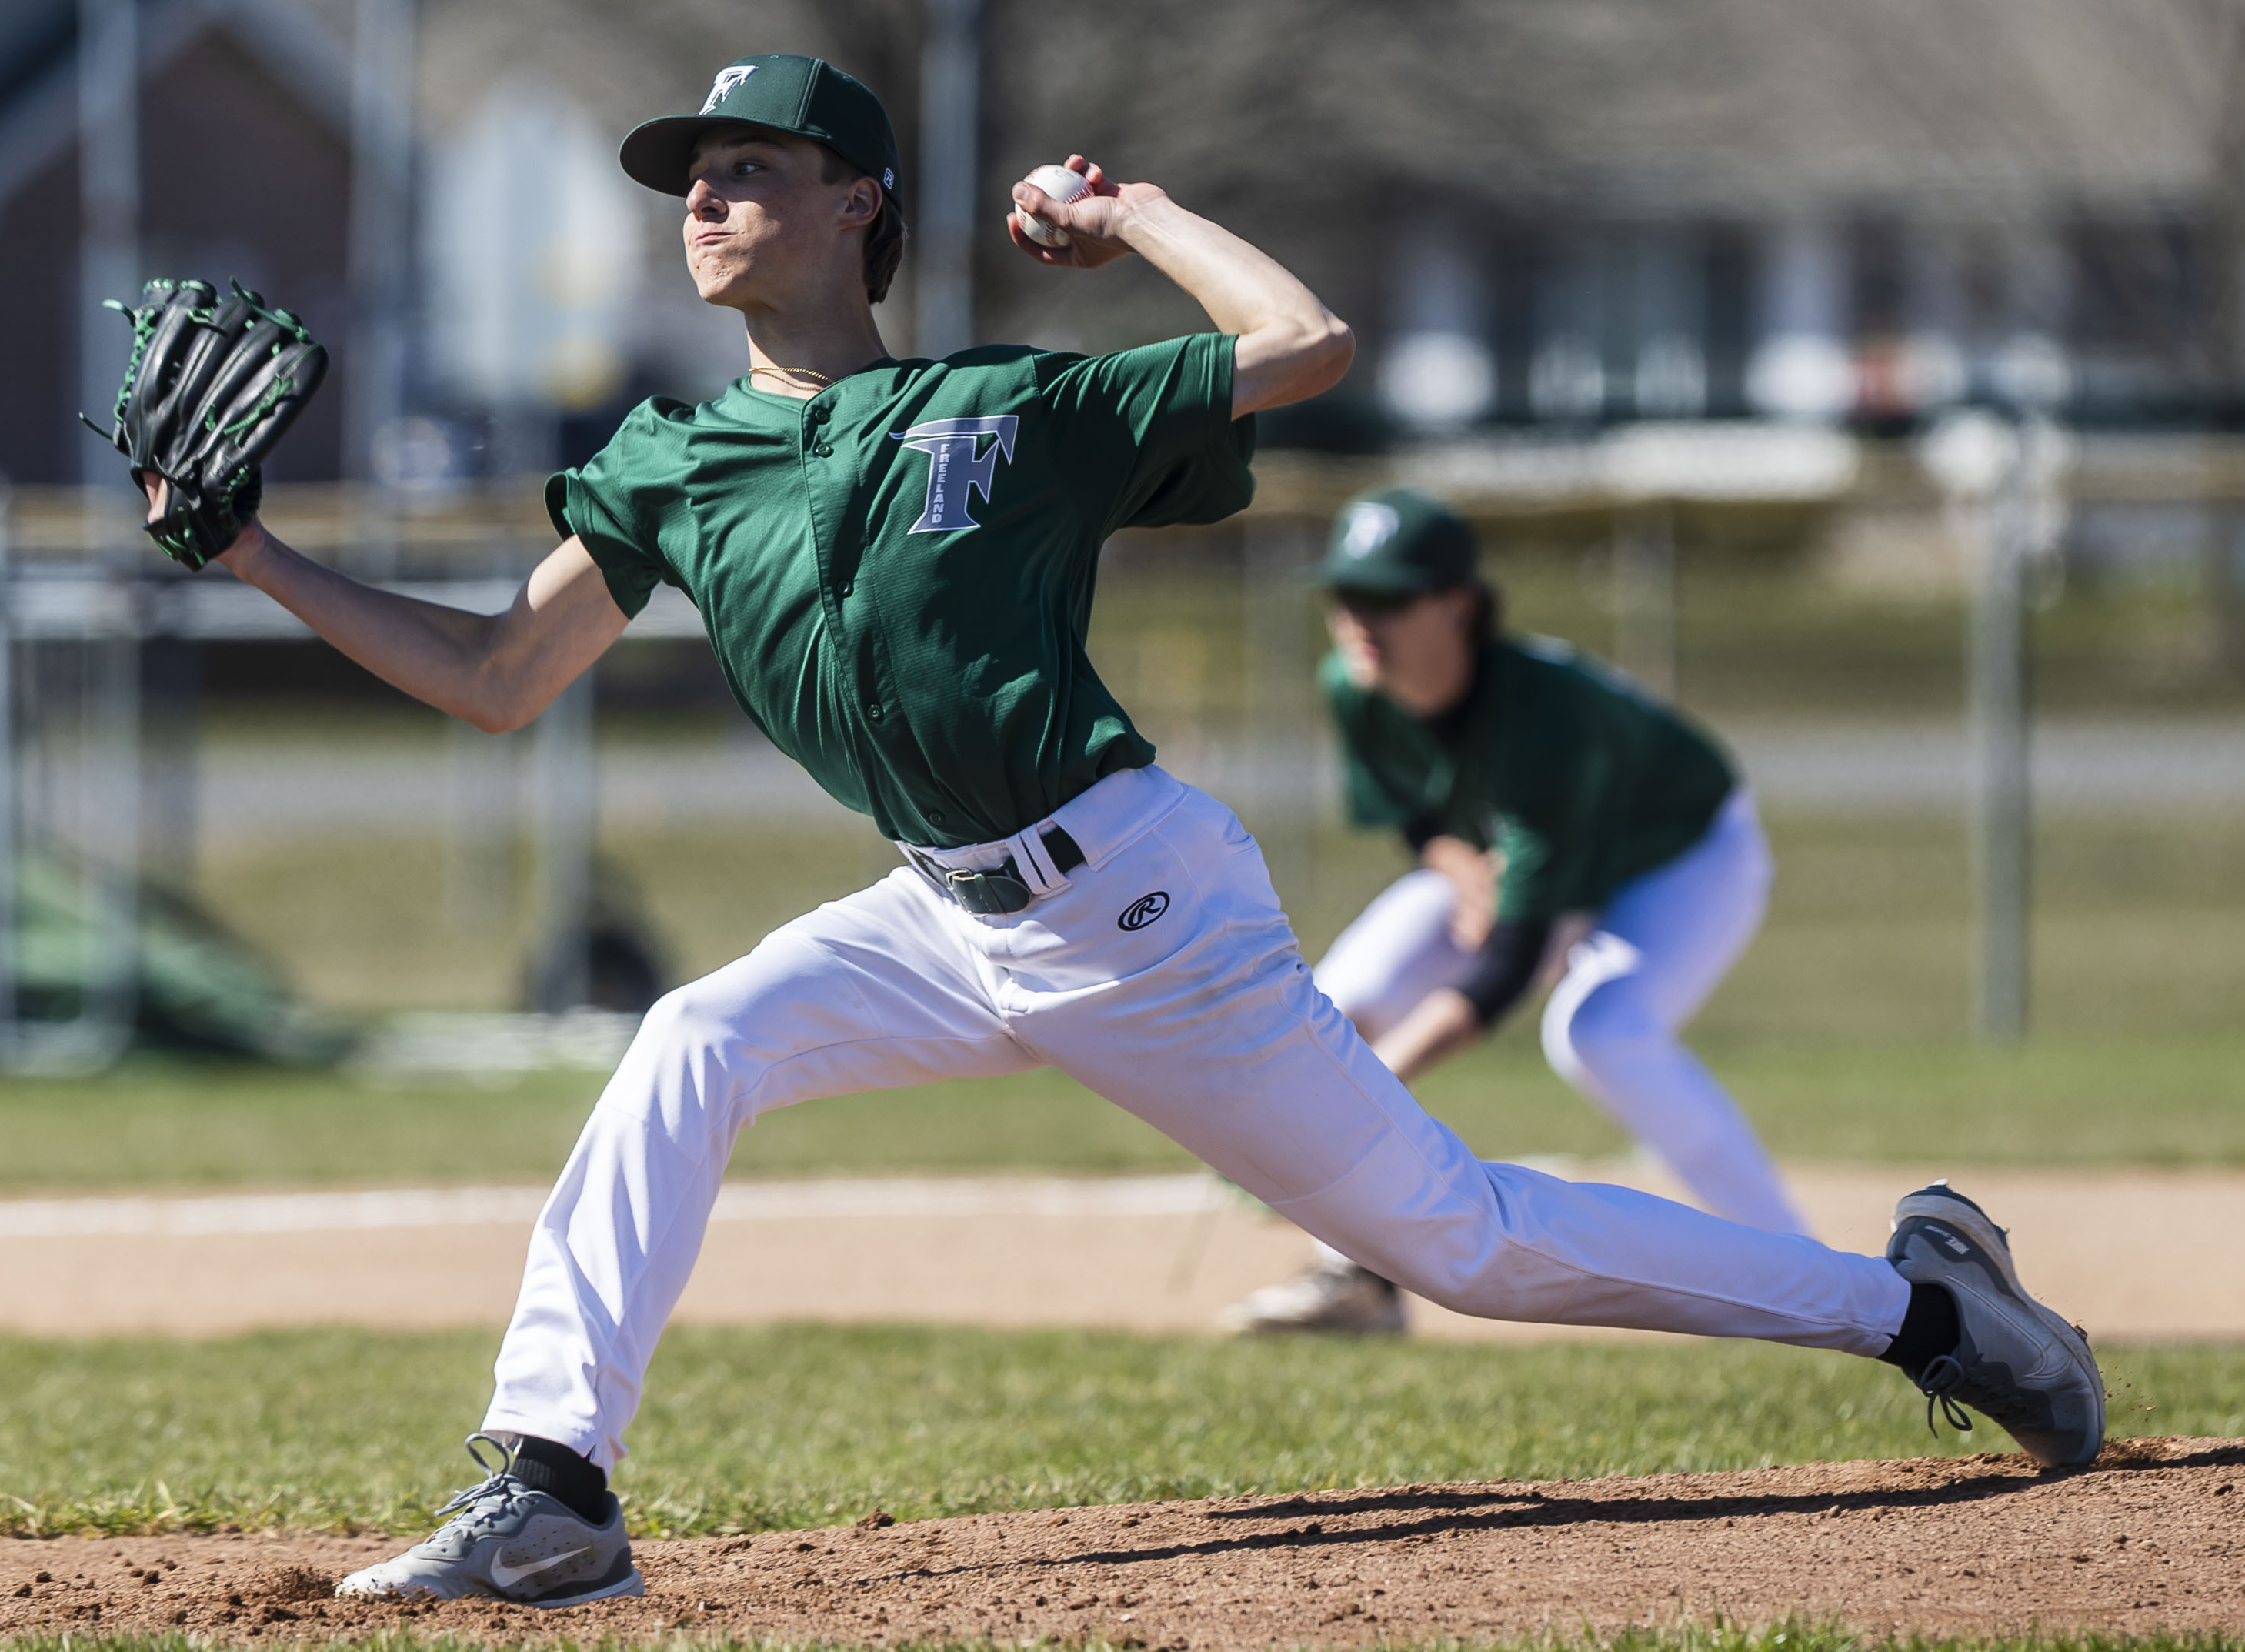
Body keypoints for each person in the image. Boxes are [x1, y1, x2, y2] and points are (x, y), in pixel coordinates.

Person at [157, 55, 2103, 1609]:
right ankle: (553, 1488)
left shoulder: (1006, 408)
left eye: (754, 165)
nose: (708, 196)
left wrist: (1134, 212)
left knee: (1467, 1243)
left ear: (862, 210)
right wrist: (251, 548)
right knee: (693, 1037)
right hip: (940, 912)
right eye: (696, 170)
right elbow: (499, 674)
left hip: (1143, 907)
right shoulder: (676, 460)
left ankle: (1929, 1305)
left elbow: (1306, 341)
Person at [1223, 489, 1805, 1336]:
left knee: (1601, 1033)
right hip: (1536, 855)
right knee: (1338, 1003)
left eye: (1387, 596)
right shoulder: (1356, 684)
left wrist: (1364, 1093)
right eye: (1346, 594)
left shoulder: (1546, 715)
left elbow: (1508, 965)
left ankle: (1798, 1270)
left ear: (1458, 603)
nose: (1358, 618)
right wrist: (1457, 862)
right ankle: (1354, 1280)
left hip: (1681, 853)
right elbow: (1418, 814)